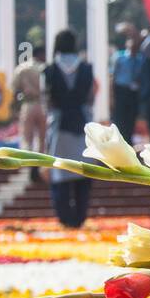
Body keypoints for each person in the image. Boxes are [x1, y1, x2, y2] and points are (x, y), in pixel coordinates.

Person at [44, 29, 97, 228]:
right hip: (82, 124)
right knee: (83, 173)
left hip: (59, 125)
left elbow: (48, 101)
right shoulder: (86, 68)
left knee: (60, 173)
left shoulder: (49, 69)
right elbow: (90, 97)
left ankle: (64, 216)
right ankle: (80, 216)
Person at [10, 45, 47, 158]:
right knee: (43, 138)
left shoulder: (22, 68)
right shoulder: (45, 68)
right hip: (43, 105)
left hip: (28, 104)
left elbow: (15, 90)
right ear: (41, 54)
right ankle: (40, 164)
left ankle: (29, 164)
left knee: (27, 137)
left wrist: (14, 108)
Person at [110, 27, 142, 144]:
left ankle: (128, 142)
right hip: (121, 91)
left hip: (133, 94)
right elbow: (113, 77)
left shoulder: (140, 60)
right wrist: (112, 96)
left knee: (130, 121)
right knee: (119, 120)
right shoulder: (120, 58)